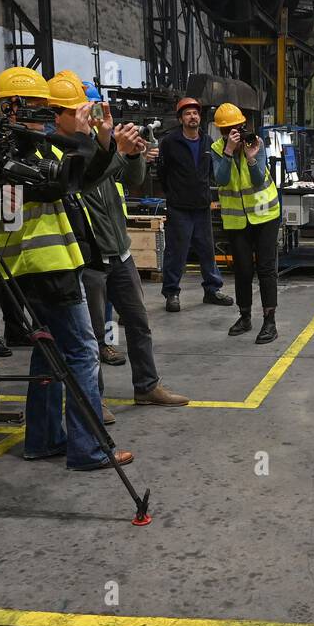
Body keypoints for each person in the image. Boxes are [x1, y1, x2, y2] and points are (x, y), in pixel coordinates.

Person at [0, 66, 133, 471]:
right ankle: (89, 449)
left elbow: (80, 178)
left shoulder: (28, 147)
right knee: (83, 354)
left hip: (39, 266)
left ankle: (43, 438)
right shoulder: (13, 153)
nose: (46, 116)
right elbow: (59, 183)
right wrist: (89, 138)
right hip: (46, 266)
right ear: (12, 108)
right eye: (38, 107)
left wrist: (101, 139)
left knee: (47, 355)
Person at [71, 81, 191, 410]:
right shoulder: (73, 151)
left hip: (120, 252)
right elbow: (87, 180)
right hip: (92, 258)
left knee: (139, 323)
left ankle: (146, 386)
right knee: (92, 335)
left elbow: (134, 179)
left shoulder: (103, 145)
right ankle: (93, 401)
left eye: (100, 111)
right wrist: (119, 152)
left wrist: (135, 153)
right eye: (91, 111)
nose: (97, 117)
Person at [210, 103, 281, 343]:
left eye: (237, 128)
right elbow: (221, 179)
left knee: (266, 268)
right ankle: (245, 316)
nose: (234, 134)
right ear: (221, 132)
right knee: (242, 270)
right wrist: (229, 152)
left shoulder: (255, 144)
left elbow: (258, 179)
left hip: (265, 216)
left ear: (243, 126)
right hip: (237, 220)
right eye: (227, 130)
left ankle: (270, 321)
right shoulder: (217, 149)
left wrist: (251, 158)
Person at [156, 97, 232, 312]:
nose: (192, 117)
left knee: (207, 250)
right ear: (181, 119)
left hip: (201, 206)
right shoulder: (170, 142)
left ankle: (212, 290)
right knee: (176, 252)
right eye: (188, 113)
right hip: (179, 207)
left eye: (195, 113)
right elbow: (162, 173)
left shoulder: (207, 141)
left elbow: (211, 172)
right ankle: (171, 292)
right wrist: (174, 194)